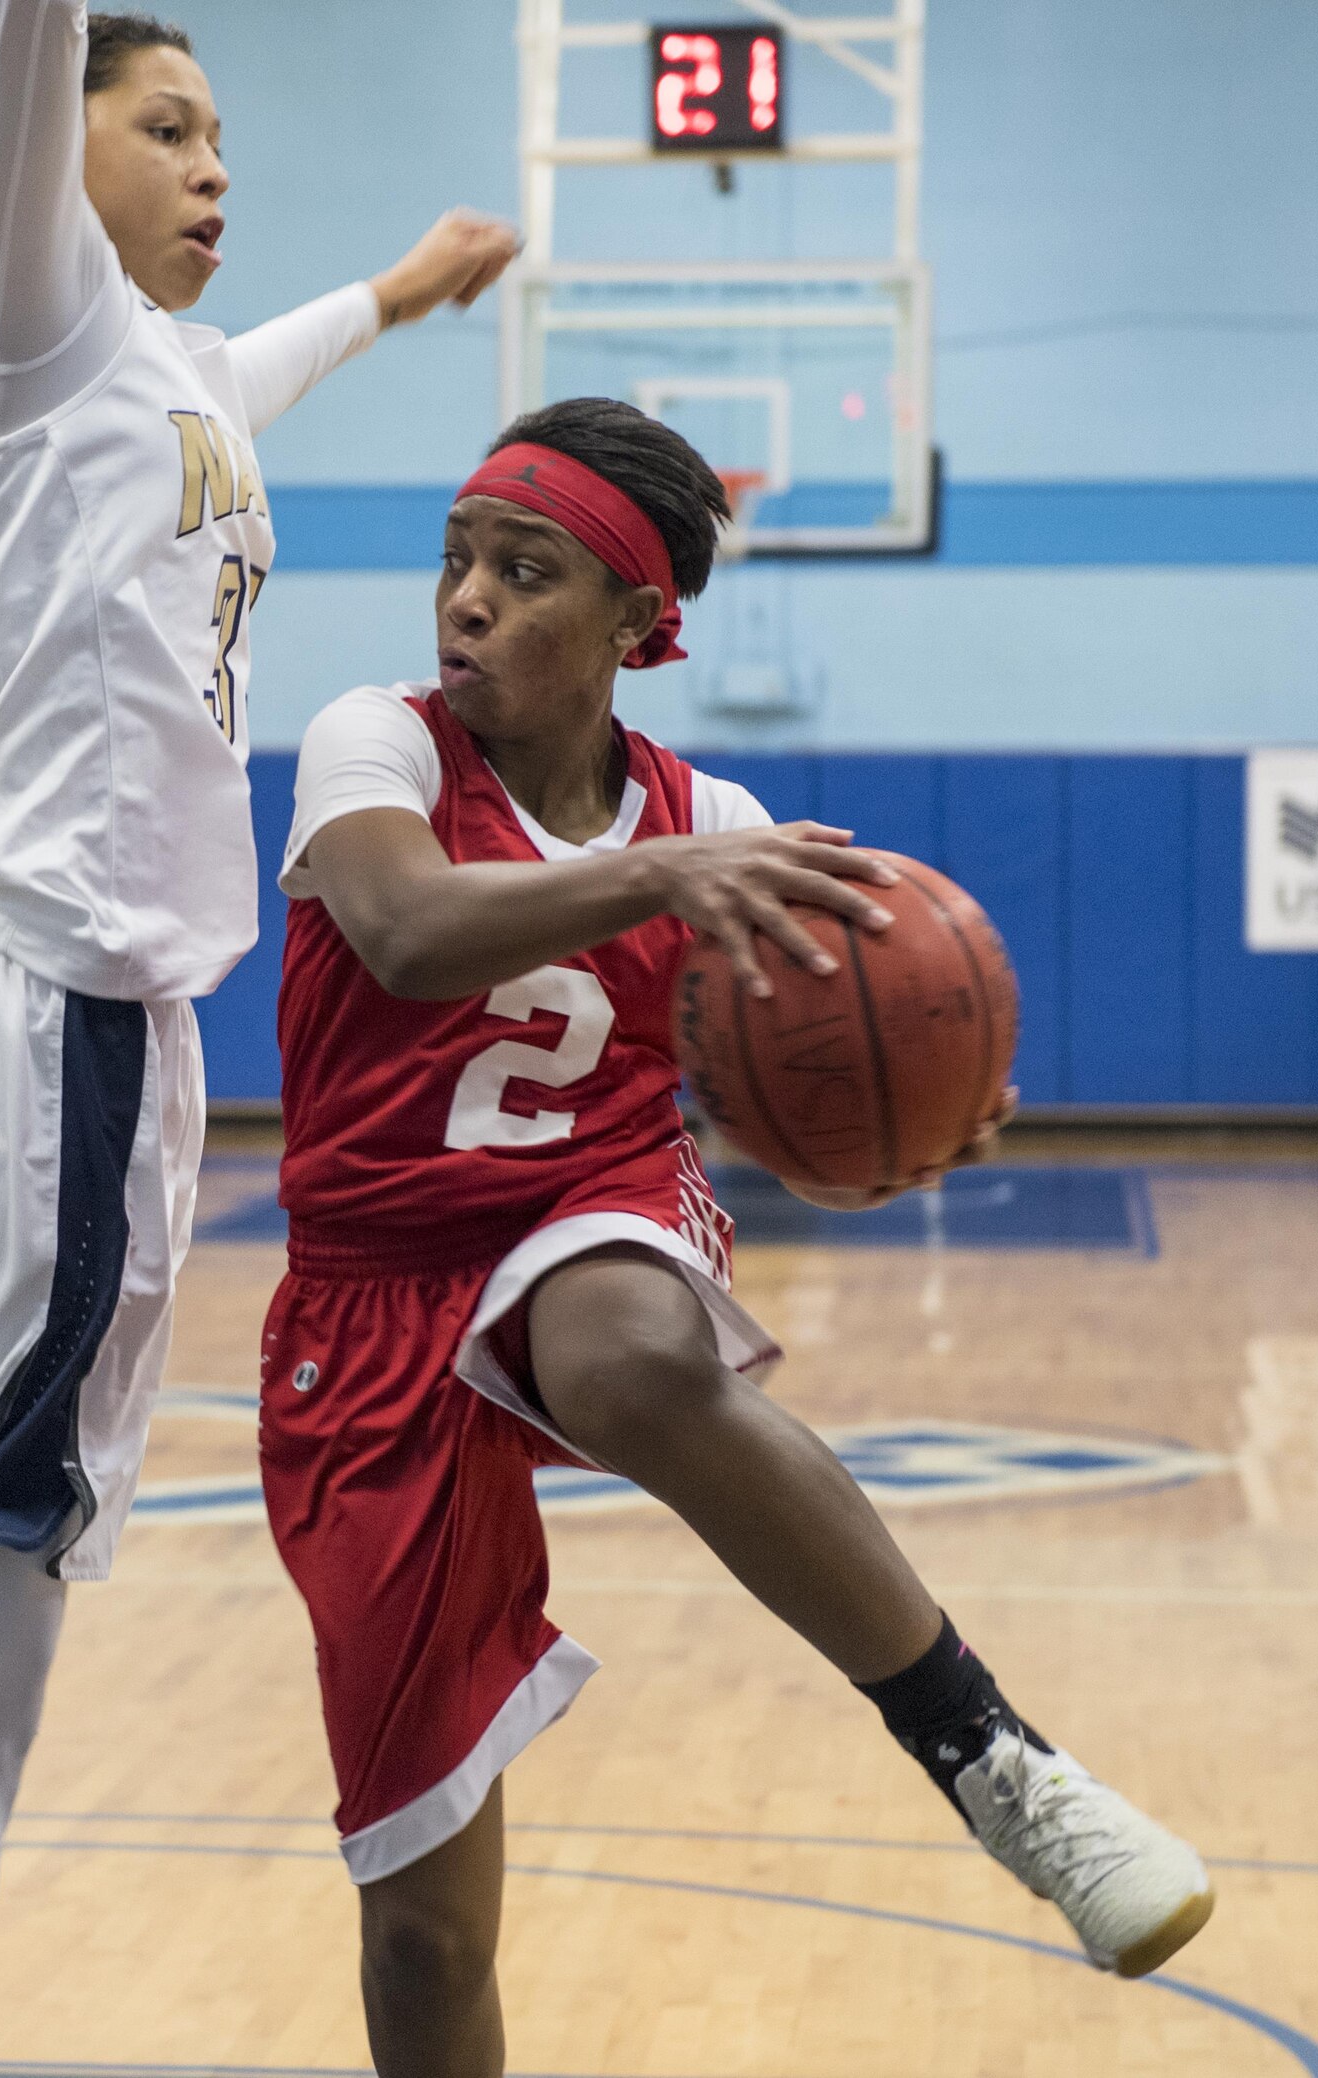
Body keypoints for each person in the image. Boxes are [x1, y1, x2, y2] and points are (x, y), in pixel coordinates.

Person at [0, 11, 525, 2078]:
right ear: (49, 161)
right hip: (45, 1028)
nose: (213, 164)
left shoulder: (143, 379)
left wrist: (398, 294)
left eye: (224, 133)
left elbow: (258, 374)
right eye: (167, 126)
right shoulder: (27, 311)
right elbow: (30, 48)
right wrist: (53, 72)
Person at [260, 399, 1214, 2077]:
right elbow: (405, 932)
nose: (465, 599)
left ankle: (991, 1757)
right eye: (457, 560)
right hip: (369, 1295)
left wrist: (913, 1116)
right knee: (420, 1925)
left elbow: (778, 1078)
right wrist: (669, 880)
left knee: (619, 1348)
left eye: (524, 570)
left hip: (592, 1199)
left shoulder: (717, 810)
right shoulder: (377, 743)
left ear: (637, 624)